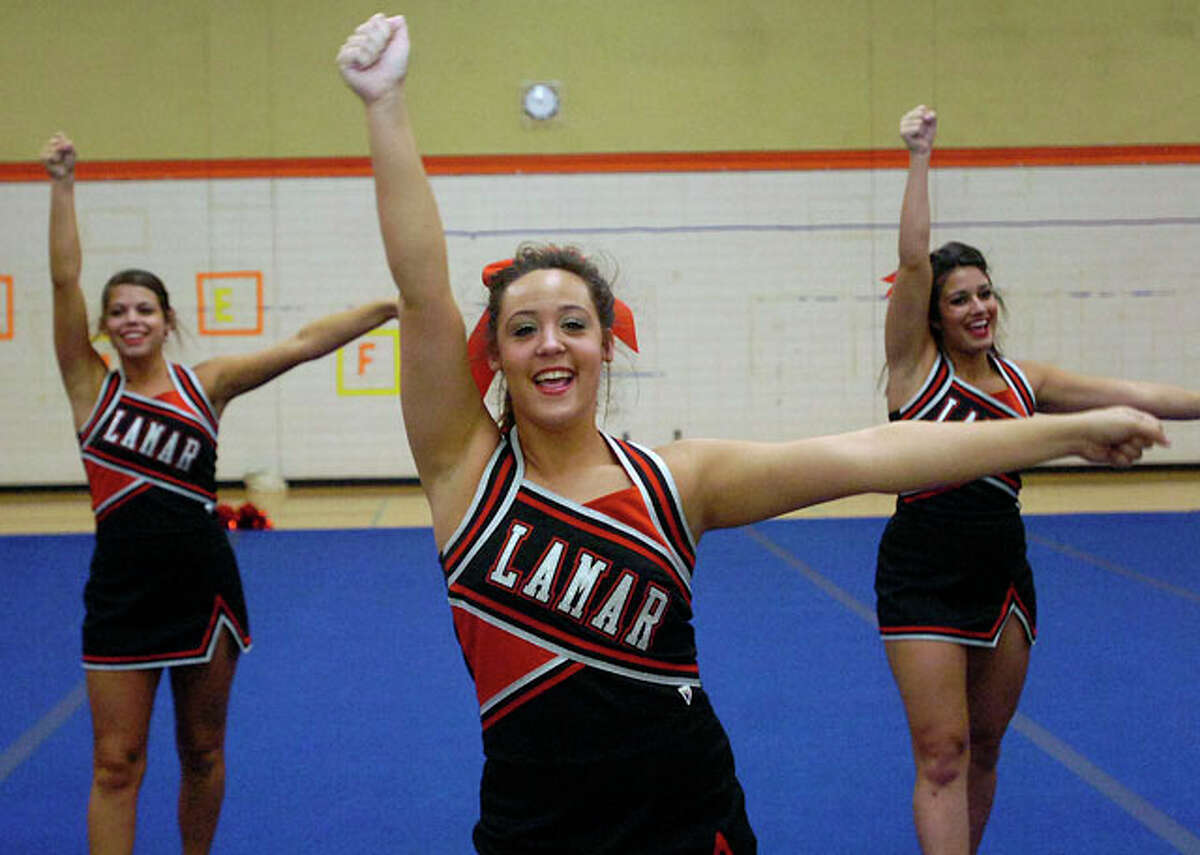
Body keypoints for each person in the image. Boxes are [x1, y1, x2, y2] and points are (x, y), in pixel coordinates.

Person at [338, 16, 1168, 853]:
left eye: (571, 324)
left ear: (605, 346)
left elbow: (873, 455)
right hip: (535, 828)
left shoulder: (676, 481)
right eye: (523, 329)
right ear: (496, 355)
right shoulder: (465, 472)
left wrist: (1057, 433)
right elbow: (421, 293)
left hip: (692, 818)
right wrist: (386, 105)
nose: (550, 343)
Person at [42, 132, 399, 855]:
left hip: (203, 588)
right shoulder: (90, 391)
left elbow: (301, 343)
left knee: (201, 750)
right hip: (120, 596)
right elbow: (62, 281)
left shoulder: (204, 385)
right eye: (119, 310)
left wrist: (393, 306)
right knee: (117, 761)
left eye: (145, 308)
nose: (132, 319)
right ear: (105, 326)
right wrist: (63, 186)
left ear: (167, 319)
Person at [878, 104, 1200, 855]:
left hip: (1004, 580)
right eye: (959, 299)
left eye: (985, 293)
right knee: (943, 752)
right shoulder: (912, 372)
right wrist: (919, 157)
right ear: (933, 313)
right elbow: (916, 257)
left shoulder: (1028, 380)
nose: (978, 306)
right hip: (923, 577)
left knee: (985, 746)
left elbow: (1142, 396)